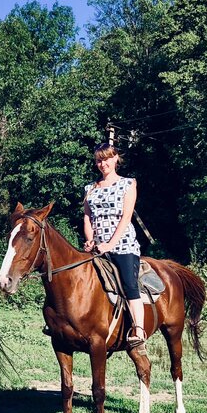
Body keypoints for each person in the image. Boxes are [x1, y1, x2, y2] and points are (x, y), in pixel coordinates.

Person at [83, 143, 146, 347]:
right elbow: (87, 217)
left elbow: (126, 217)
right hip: (97, 247)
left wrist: (110, 244)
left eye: (107, 159)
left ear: (116, 158)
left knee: (129, 284)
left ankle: (139, 328)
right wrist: (90, 239)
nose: (103, 164)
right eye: (99, 160)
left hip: (123, 245)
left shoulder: (128, 184)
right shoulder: (89, 188)